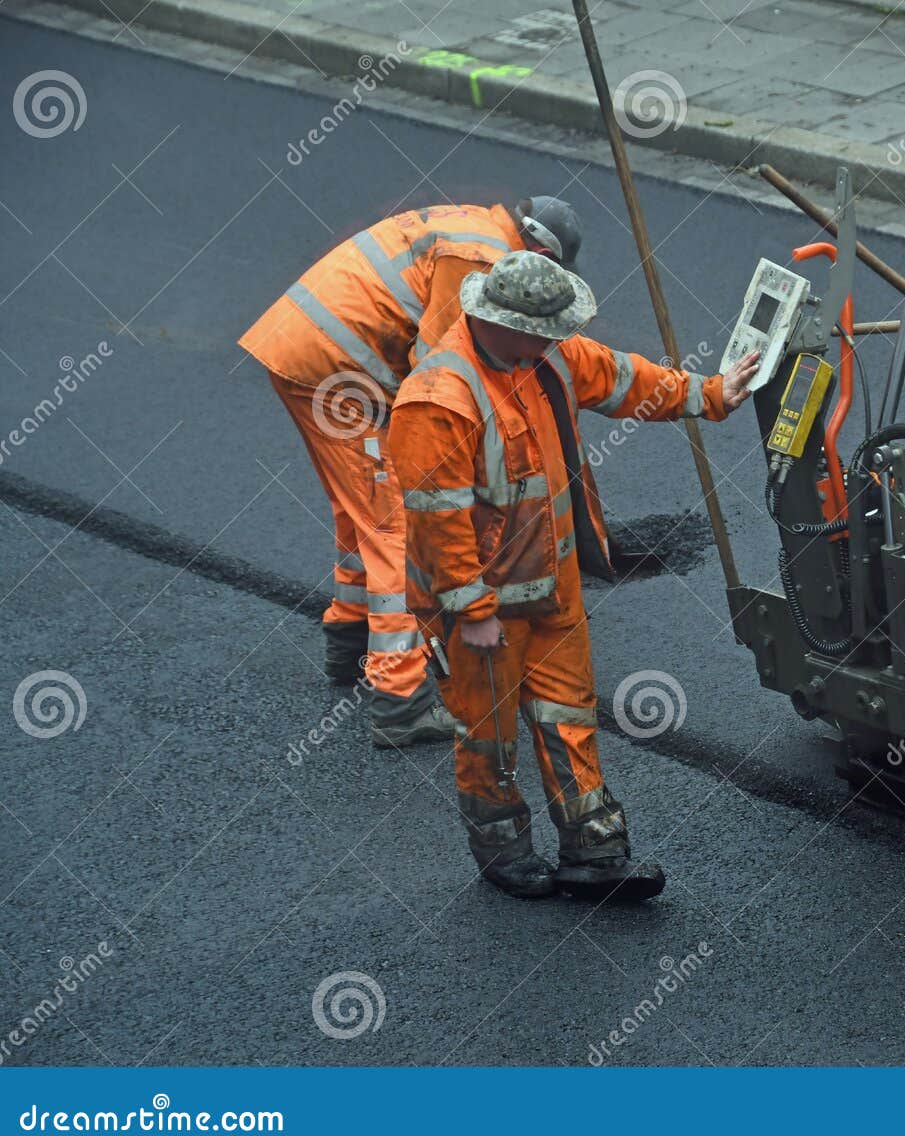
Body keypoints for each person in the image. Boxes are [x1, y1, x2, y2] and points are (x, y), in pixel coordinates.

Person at [389, 250, 760, 900]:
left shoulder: (548, 357)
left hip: (552, 590)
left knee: (569, 717)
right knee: (489, 736)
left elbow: (624, 379)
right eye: (545, 330)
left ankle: (595, 850)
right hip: (484, 612)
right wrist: (472, 613)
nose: (557, 340)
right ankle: (502, 849)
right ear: (500, 322)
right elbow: (436, 521)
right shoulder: (438, 399)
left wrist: (708, 393)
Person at [237, 197, 581, 746]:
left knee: (360, 514)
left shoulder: (474, 224)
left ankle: (350, 637)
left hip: (315, 353)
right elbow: (440, 363)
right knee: (395, 527)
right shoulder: (483, 257)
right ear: (539, 253)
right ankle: (400, 700)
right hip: (337, 375)